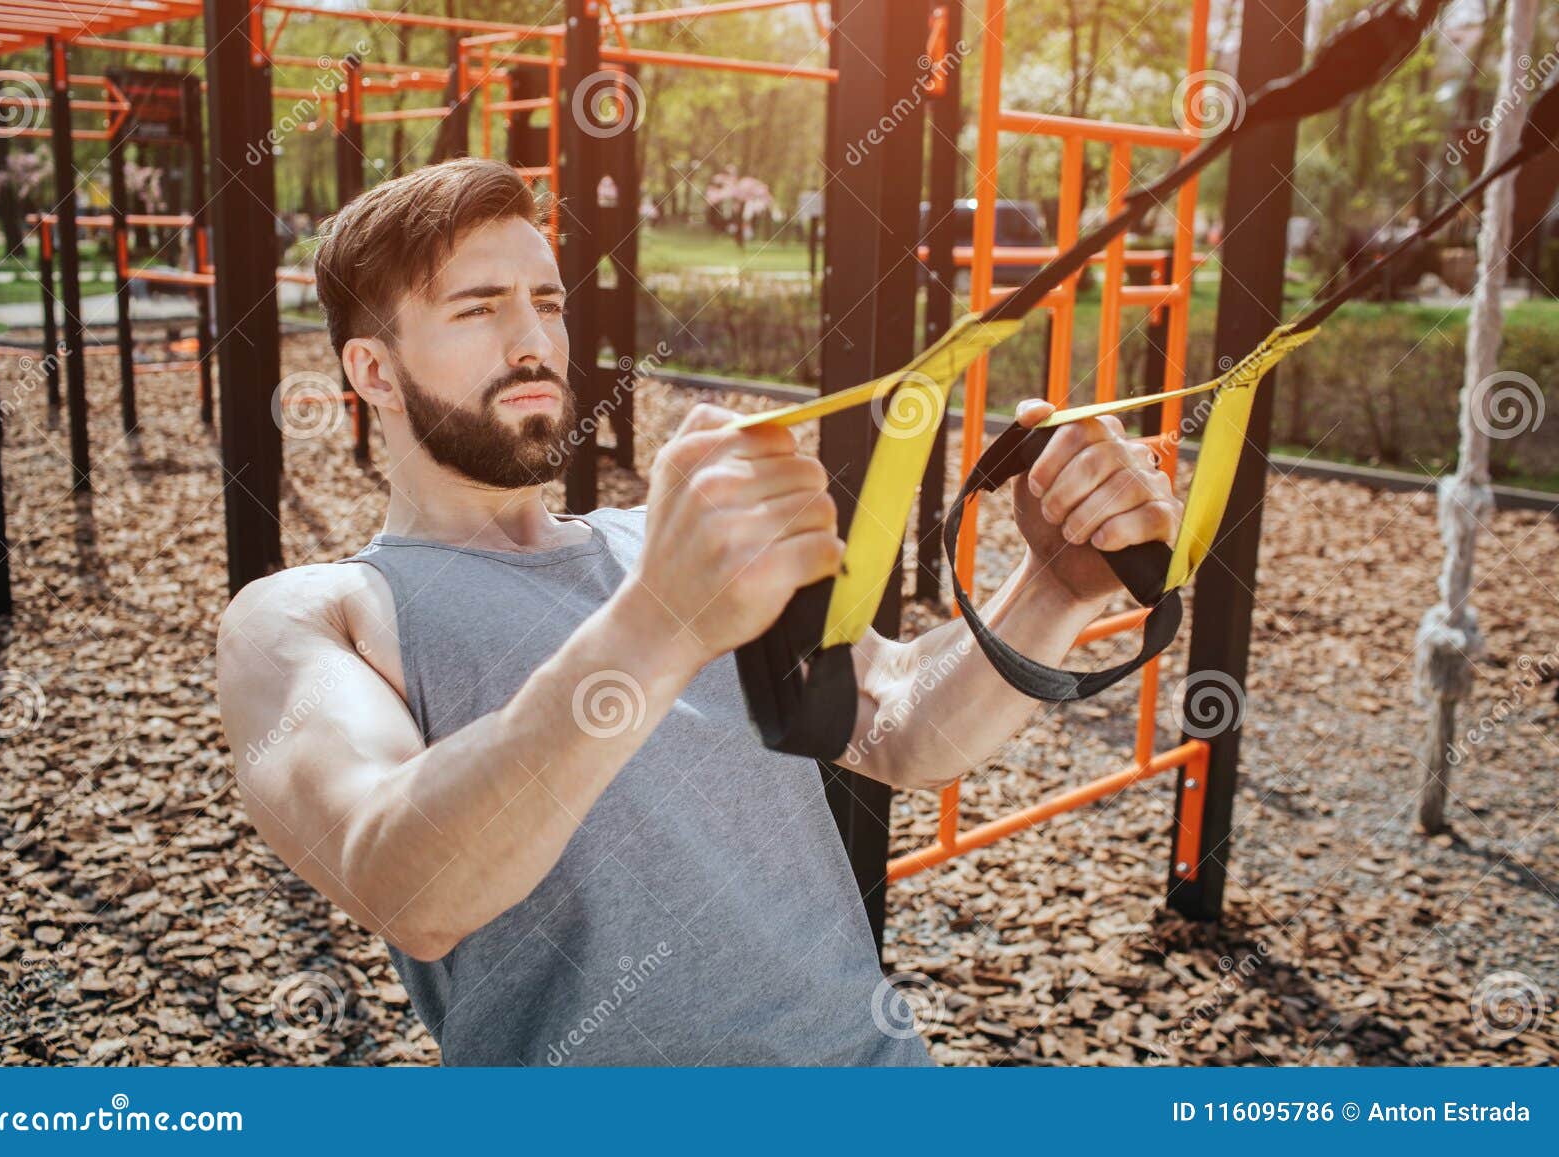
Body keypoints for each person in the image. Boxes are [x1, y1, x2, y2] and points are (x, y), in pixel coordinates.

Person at [216, 158, 1183, 1066]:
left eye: (546, 304)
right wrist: (662, 624)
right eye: (478, 309)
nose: (533, 343)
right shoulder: (311, 614)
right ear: (373, 373)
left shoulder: (659, 543)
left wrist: (1049, 588)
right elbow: (406, 883)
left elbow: (898, 724)